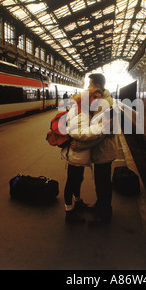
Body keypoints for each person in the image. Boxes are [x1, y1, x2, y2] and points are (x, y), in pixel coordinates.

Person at [62, 86, 105, 223]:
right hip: (75, 154)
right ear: (87, 97)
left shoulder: (82, 109)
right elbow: (79, 133)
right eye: (95, 98)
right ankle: (69, 212)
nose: (97, 101)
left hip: (79, 154)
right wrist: (101, 127)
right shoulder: (79, 111)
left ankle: (78, 201)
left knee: (78, 178)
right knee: (71, 181)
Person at [86, 73, 118, 226]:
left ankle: (104, 216)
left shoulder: (104, 103)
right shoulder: (102, 100)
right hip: (102, 149)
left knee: (103, 183)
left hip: (104, 149)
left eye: (90, 84)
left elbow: (103, 129)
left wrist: (83, 144)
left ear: (97, 86)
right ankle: (100, 205)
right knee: (100, 181)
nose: (88, 87)